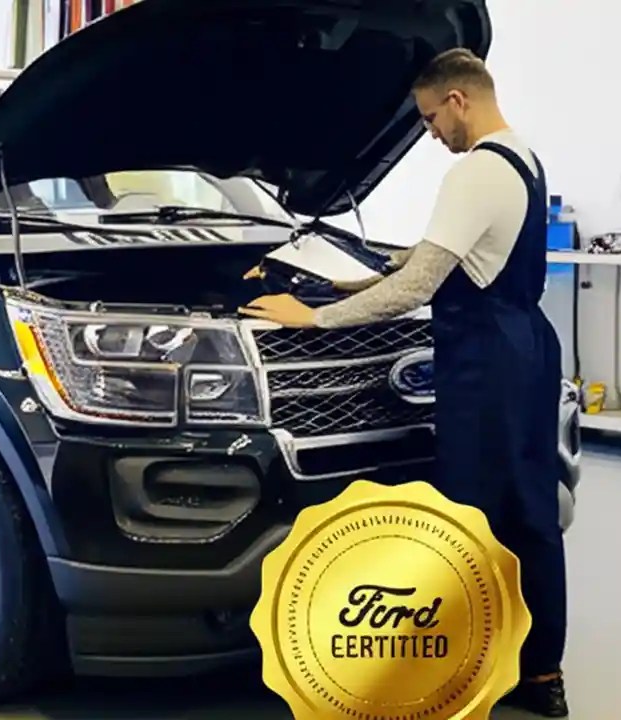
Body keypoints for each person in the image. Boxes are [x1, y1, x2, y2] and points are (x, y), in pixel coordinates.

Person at [239, 48, 569, 717]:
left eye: (427, 120)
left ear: (458, 101)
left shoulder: (475, 172)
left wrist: (315, 315)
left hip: (486, 364)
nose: (429, 135)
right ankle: (540, 675)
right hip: (529, 349)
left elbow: (420, 284)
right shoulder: (522, 156)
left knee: (469, 520)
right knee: (531, 514)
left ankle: (457, 676)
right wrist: (342, 277)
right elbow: (441, 259)